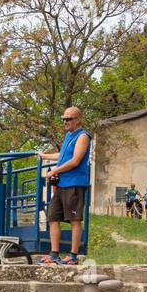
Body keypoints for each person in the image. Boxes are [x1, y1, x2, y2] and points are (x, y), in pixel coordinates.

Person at [39, 106, 90, 265]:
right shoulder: (69, 135)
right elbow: (61, 156)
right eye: (64, 119)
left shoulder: (83, 136)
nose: (65, 121)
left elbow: (75, 161)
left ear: (78, 119)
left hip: (75, 183)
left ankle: (73, 256)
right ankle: (54, 254)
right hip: (62, 183)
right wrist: (43, 155)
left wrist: (54, 171)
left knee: (74, 219)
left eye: (68, 119)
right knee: (53, 216)